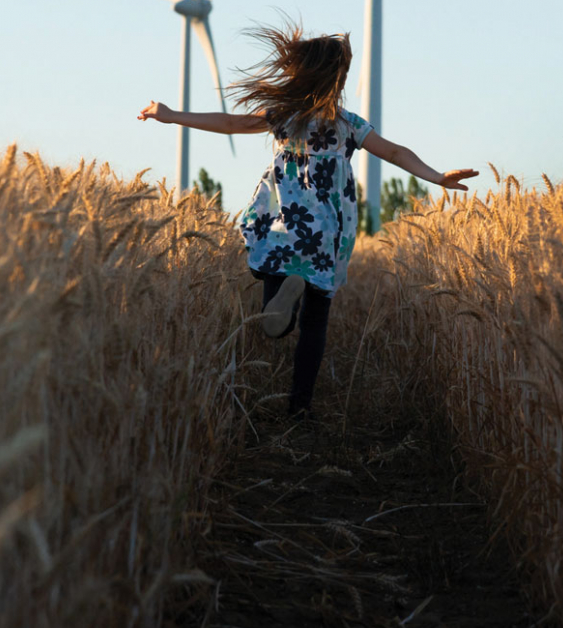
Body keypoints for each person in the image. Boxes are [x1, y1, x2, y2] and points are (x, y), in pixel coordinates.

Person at [136, 24, 477, 416]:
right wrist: (437, 177)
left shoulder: (285, 115)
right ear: (339, 79)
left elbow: (231, 123)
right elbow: (396, 152)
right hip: (327, 230)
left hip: (285, 219)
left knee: (274, 298)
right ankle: (299, 406)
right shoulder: (349, 123)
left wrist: (172, 115)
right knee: (316, 323)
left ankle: (283, 297)